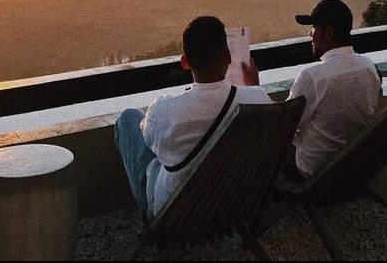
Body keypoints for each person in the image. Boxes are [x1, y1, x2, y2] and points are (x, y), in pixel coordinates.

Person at [114, 16, 272, 220]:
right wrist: (253, 87)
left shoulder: (163, 111)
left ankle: (147, 216)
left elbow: (148, 139)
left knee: (129, 118)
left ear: (185, 62)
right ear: (228, 56)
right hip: (234, 203)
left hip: (174, 214)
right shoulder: (259, 100)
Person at [245, 0, 381, 180]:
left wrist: (254, 88)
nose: (310, 34)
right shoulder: (368, 67)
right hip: (350, 163)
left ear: (329, 32)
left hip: (310, 168)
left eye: (314, 28)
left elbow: (281, 128)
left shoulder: (314, 77)